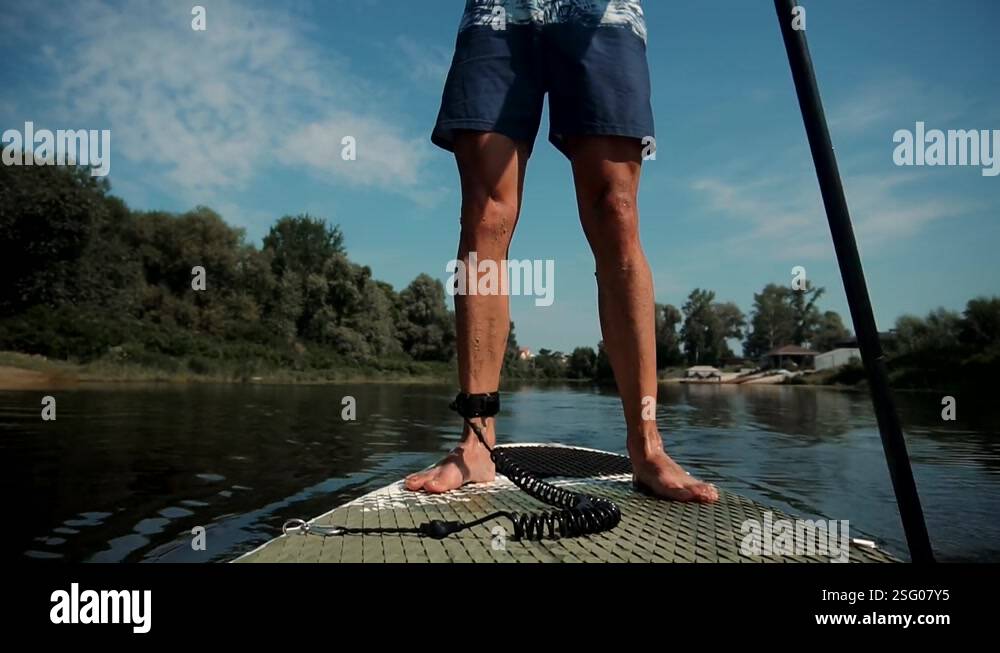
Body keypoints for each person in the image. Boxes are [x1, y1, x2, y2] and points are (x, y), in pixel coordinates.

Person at [405, 0, 718, 503]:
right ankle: (476, 442)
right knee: (486, 214)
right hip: (500, 12)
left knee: (616, 209)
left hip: (603, 13)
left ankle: (647, 445)